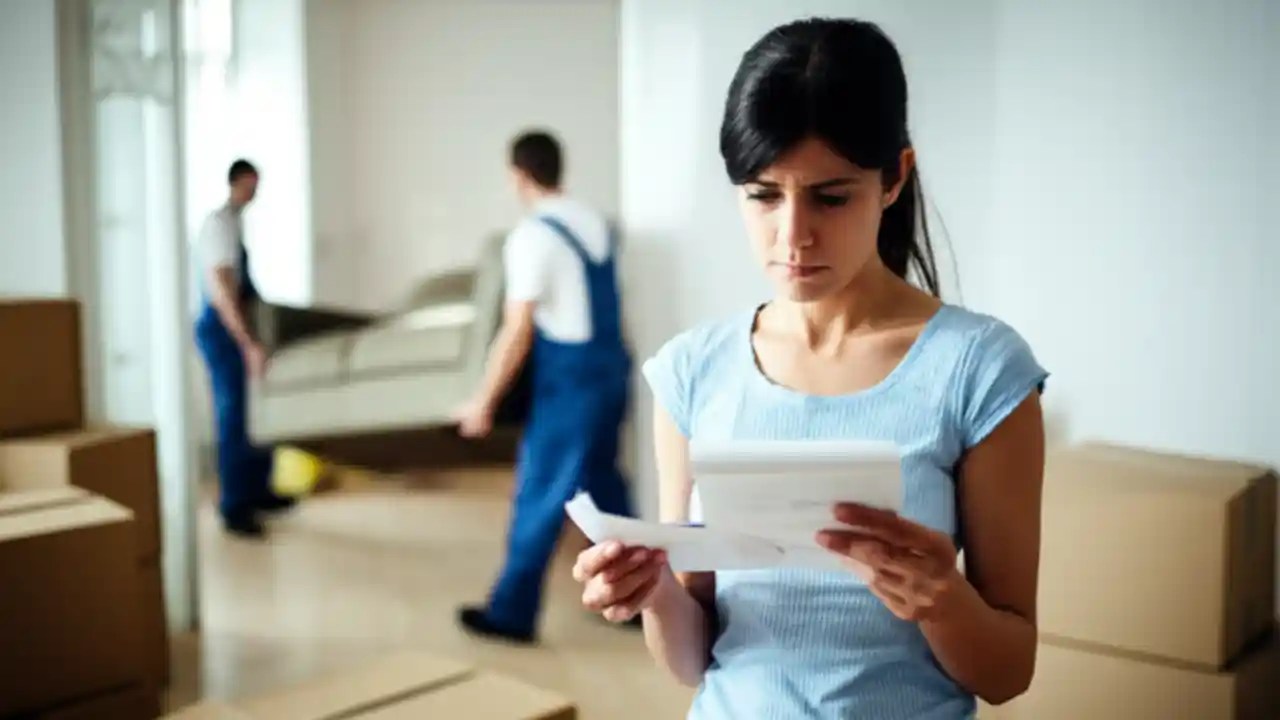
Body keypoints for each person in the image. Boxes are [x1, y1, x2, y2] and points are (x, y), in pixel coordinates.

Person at [570, 18, 1048, 719]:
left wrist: (942, 600)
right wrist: (655, 594)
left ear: (893, 180)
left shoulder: (980, 372)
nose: (792, 237)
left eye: (830, 196)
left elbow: (1009, 672)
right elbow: (691, 661)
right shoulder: (692, 371)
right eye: (763, 194)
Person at [454, 130, 636, 643]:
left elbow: (517, 331)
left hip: (572, 381)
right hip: (611, 367)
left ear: (519, 175)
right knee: (603, 487)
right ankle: (640, 594)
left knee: (541, 489)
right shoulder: (595, 222)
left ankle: (511, 613)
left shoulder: (531, 236)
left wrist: (482, 403)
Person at [194, 159, 295, 539]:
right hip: (222, 330)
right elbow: (222, 292)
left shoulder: (237, 222)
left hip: (235, 328)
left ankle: (258, 491)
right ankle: (234, 505)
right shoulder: (218, 225)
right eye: (251, 185)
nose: (255, 193)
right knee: (233, 415)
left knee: (255, 411)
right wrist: (248, 342)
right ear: (236, 182)